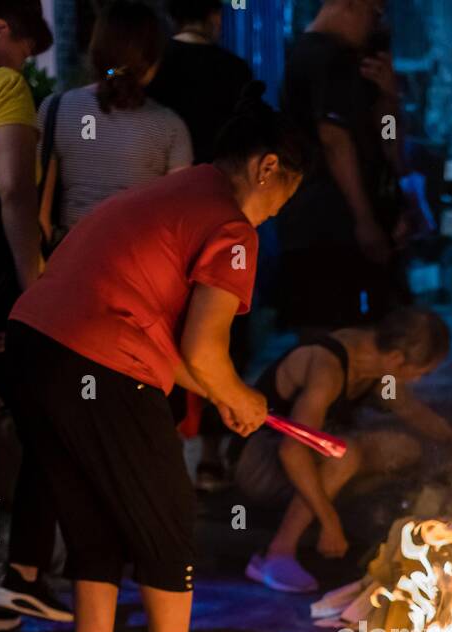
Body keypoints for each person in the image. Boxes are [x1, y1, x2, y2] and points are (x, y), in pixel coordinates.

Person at [5, 85, 307, 632]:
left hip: (34, 345)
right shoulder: (229, 226)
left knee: (95, 513)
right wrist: (242, 396)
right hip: (102, 355)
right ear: (267, 168)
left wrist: (220, 395)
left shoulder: (176, 194)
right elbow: (202, 349)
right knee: (166, 510)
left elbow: (178, 351)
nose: (274, 216)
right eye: (283, 201)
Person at [0, 0, 67, 632]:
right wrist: (36, 294)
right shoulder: (1, 86)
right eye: (23, 51)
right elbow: (14, 194)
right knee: (51, 423)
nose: (23, 64)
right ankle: (14, 579)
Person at [236, 308, 452, 594]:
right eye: (420, 373)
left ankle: (340, 516)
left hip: (308, 452)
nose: (418, 380)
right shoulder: (327, 367)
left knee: (402, 448)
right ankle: (277, 553)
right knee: (345, 454)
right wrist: (329, 520)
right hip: (258, 463)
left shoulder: (376, 362)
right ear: (397, 359)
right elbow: (291, 450)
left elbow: (410, 410)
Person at [147, 1, 255, 493]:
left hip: (162, 222)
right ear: (214, 16)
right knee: (220, 330)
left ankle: (162, 449)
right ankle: (211, 454)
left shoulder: (155, 67)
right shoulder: (234, 71)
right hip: (220, 216)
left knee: (162, 329)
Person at [277, 0, 408, 332]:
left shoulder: (352, 62)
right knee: (331, 335)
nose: (377, 24)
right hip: (326, 224)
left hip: (351, 221)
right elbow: (334, 140)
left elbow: (387, 139)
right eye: (374, 13)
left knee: (371, 330)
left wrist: (389, 98)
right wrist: (365, 221)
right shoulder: (322, 58)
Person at [36, 1, 192, 244]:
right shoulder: (170, 127)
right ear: (152, 60)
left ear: (95, 50)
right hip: (140, 266)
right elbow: (178, 219)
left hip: (70, 262)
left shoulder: (55, 109)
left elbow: (39, 213)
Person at [147, 0, 252, 165]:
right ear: (214, 16)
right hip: (215, 173)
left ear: (172, 17)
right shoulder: (235, 68)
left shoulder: (151, 60)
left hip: (157, 169)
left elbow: (112, 72)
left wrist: (110, 72)